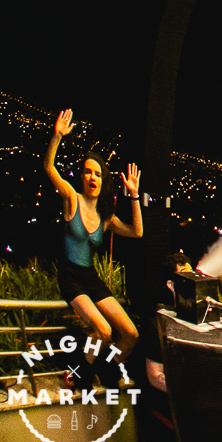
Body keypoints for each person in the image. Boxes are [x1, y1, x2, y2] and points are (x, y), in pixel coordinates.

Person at [42, 109, 143, 383]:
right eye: (87, 172)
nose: (92, 177)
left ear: (103, 179)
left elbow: (136, 232)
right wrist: (57, 136)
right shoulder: (71, 199)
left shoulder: (105, 216)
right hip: (71, 277)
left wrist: (133, 194)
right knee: (103, 330)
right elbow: (49, 168)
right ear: (82, 178)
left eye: (97, 173)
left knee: (131, 334)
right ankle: (77, 371)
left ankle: (104, 368)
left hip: (91, 279)